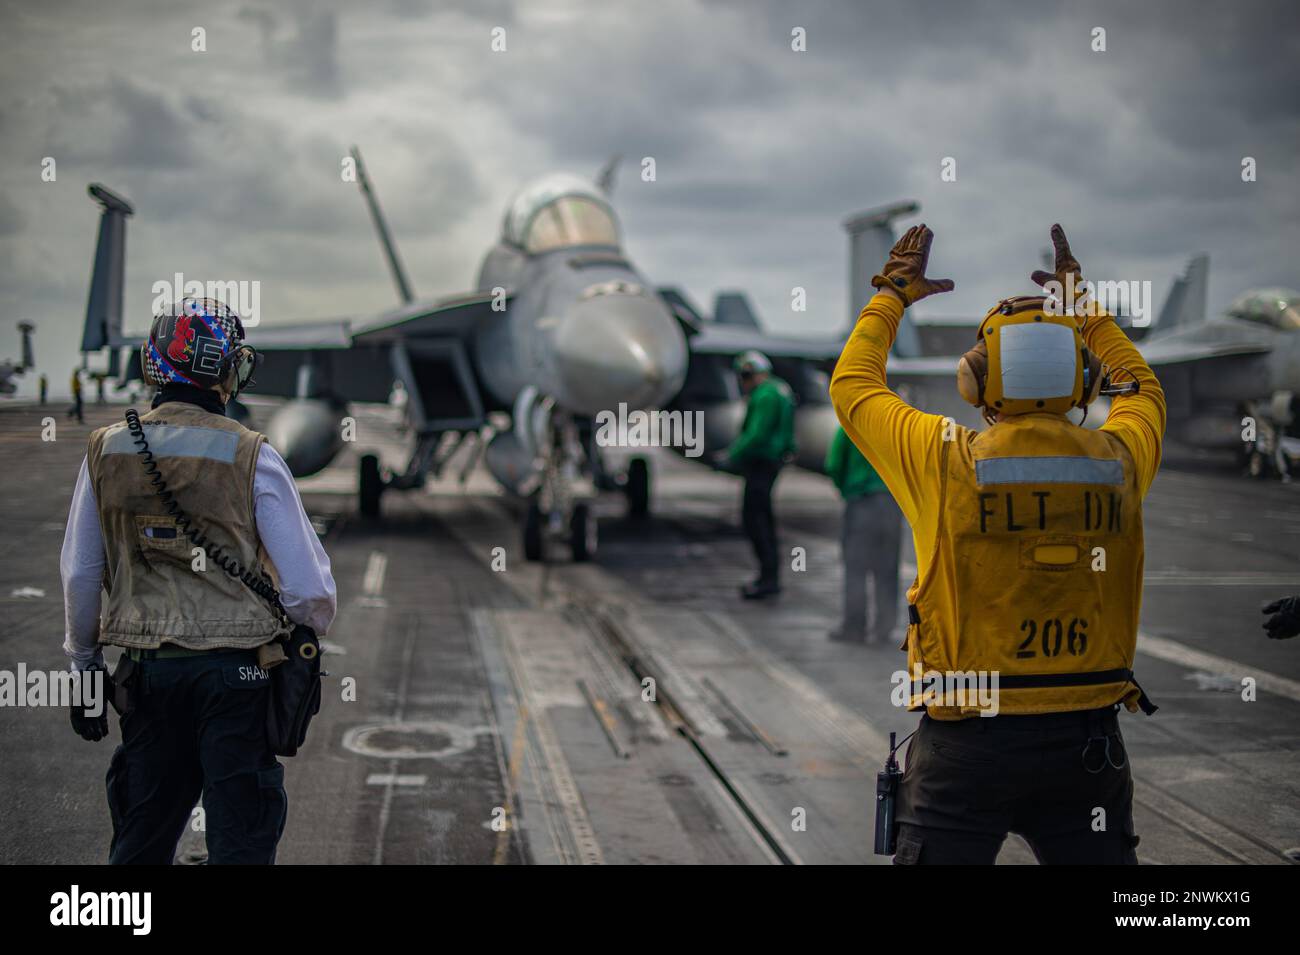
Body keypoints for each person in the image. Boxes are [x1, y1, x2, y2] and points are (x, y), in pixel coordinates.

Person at [830, 224, 1166, 864]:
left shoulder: (944, 459)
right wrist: (1085, 311)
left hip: (968, 748)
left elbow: (853, 385)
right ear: (1087, 381)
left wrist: (892, 294)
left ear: (975, 381)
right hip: (1088, 744)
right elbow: (1143, 388)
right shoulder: (1121, 458)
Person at [60, 297, 336, 865]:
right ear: (224, 371)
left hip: (148, 678)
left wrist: (85, 675)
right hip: (237, 682)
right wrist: (305, 643)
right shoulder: (251, 455)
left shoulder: (107, 449)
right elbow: (310, 590)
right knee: (240, 843)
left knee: (139, 843)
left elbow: (81, 573)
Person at [717, 350, 796, 599]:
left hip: (762, 462)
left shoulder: (765, 395)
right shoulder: (779, 389)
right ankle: (768, 576)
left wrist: (731, 455)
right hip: (772, 462)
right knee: (763, 518)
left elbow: (757, 434)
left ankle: (768, 579)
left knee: (755, 519)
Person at [825, 426, 901, 644]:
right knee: (887, 568)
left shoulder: (849, 425)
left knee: (855, 568)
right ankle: (884, 627)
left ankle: (854, 627)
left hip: (860, 502)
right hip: (890, 503)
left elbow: (833, 464)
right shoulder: (894, 425)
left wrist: (848, 491)